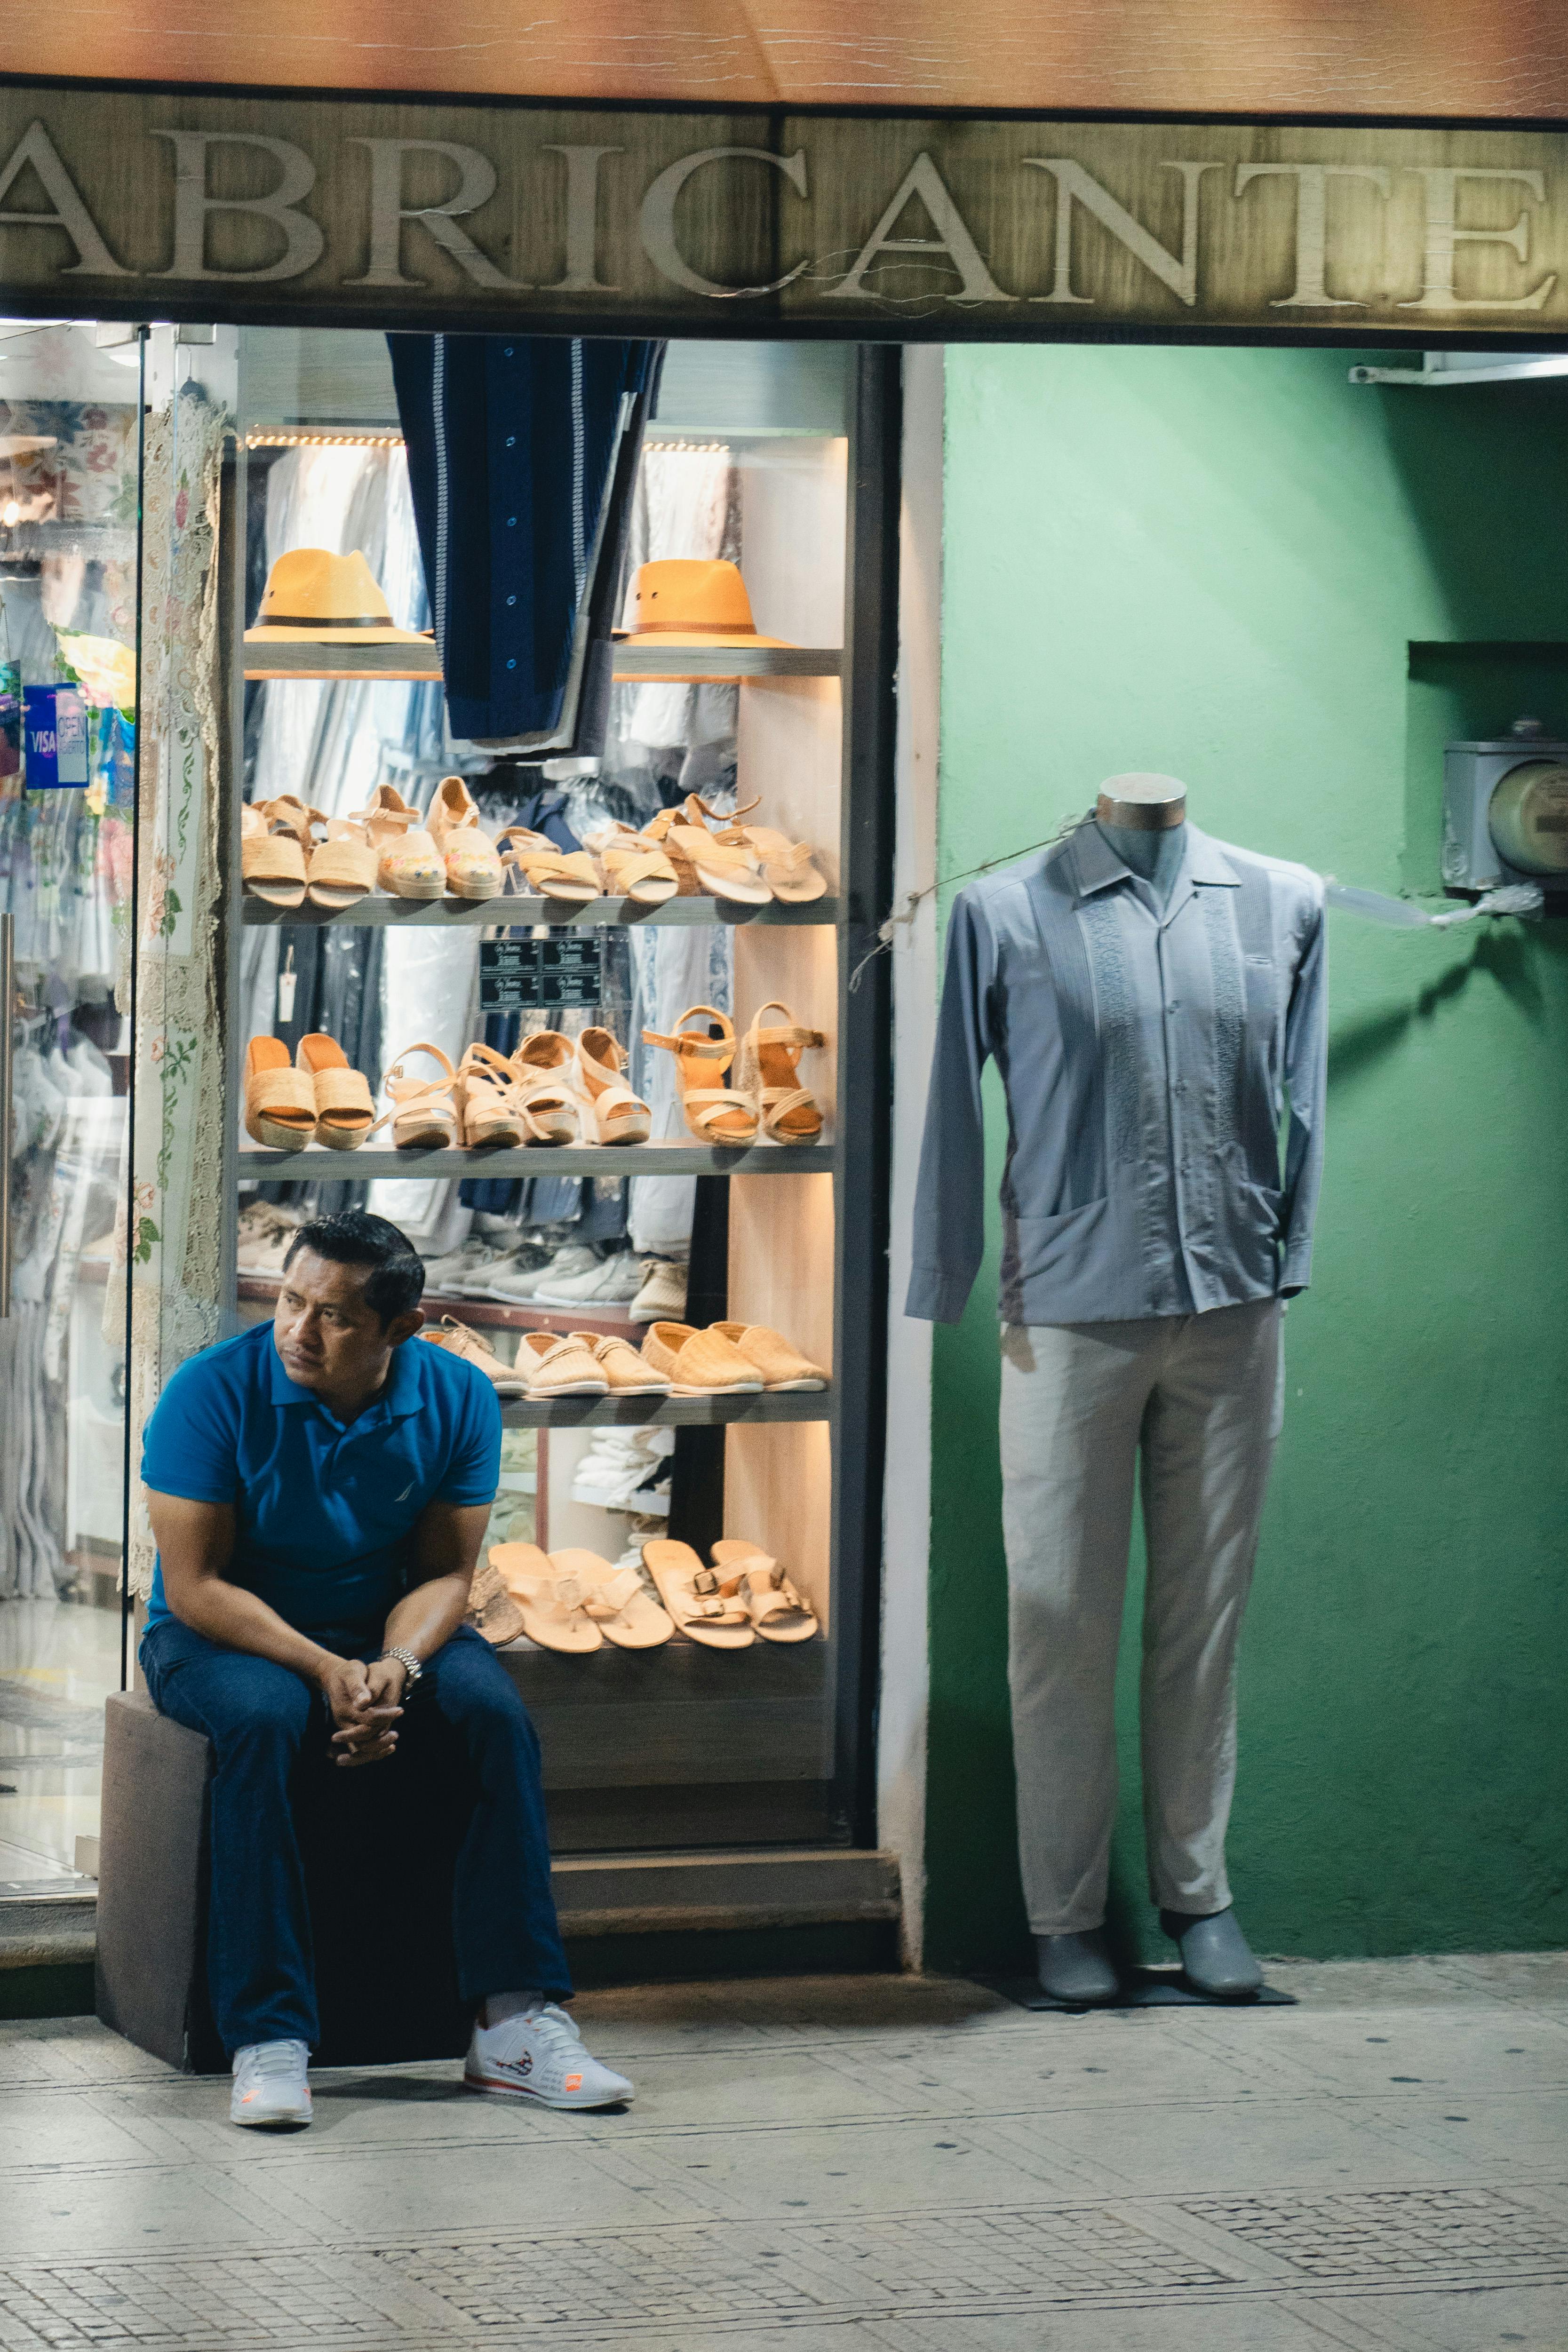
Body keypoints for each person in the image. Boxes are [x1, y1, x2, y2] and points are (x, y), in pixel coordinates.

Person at [139, 1208, 632, 2129]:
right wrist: (330, 1668)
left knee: (491, 1715)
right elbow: (195, 1585)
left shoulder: (455, 1394)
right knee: (264, 1718)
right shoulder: (209, 1391)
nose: (297, 1328)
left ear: (399, 1329)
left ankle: (515, 2022)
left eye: (332, 1315)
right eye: (289, 1300)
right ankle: (269, 2035)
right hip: (220, 1634)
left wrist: (397, 1663)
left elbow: (447, 1572)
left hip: (382, 1627)